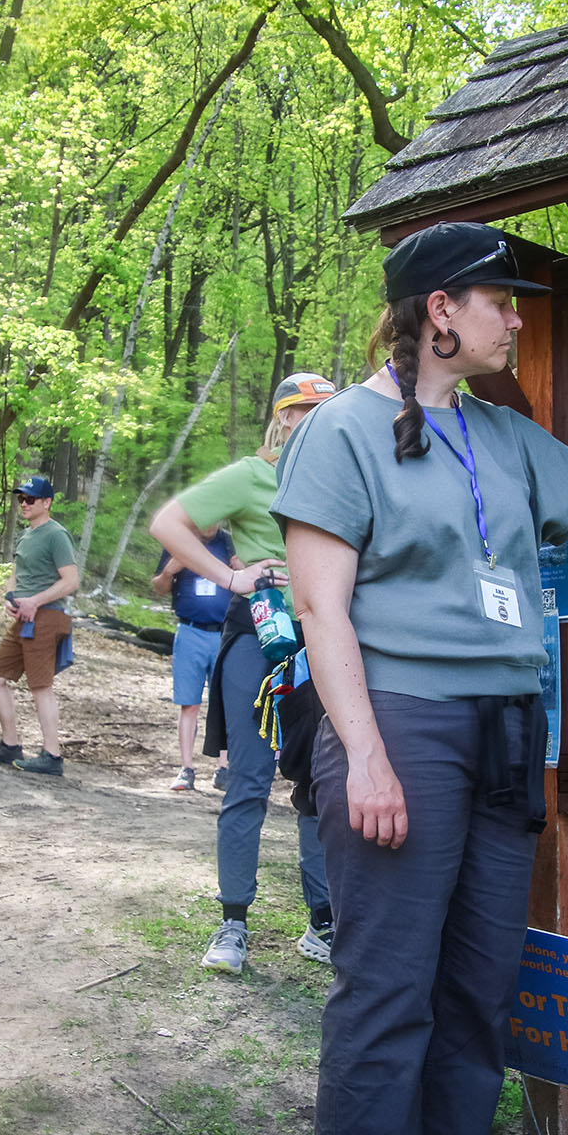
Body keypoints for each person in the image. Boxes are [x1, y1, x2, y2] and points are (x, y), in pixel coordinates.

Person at [272, 222, 568, 1135]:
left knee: (480, 981)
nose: (517, 316)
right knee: (388, 980)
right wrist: (362, 754)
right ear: (439, 310)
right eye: (500, 300)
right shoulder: (342, 429)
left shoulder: (502, 435)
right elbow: (319, 609)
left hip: (503, 733)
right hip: (398, 721)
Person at [149, 372, 338, 976]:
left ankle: (324, 923)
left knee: (320, 784)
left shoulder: (350, 477)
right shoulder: (252, 474)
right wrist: (231, 576)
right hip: (259, 636)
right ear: (281, 419)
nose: (310, 420)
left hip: (326, 642)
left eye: (322, 412)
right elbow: (169, 523)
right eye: (299, 411)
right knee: (248, 781)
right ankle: (232, 923)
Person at [0, 475, 78, 776]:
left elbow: (71, 580)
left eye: (30, 499)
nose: (24, 503)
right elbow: (17, 571)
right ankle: (10, 744)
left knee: (41, 686)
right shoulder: (26, 535)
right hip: (25, 617)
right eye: (21, 498)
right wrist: (11, 596)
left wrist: (35, 601)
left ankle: (52, 755)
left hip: (46, 617)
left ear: (47, 503)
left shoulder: (56, 535)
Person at [151, 525, 236, 791]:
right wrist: (169, 570)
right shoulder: (178, 540)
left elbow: (248, 579)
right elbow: (159, 587)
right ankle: (186, 769)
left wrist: (238, 566)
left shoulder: (230, 543)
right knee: (189, 704)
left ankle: (224, 769)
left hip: (225, 633)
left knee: (224, 704)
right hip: (190, 631)